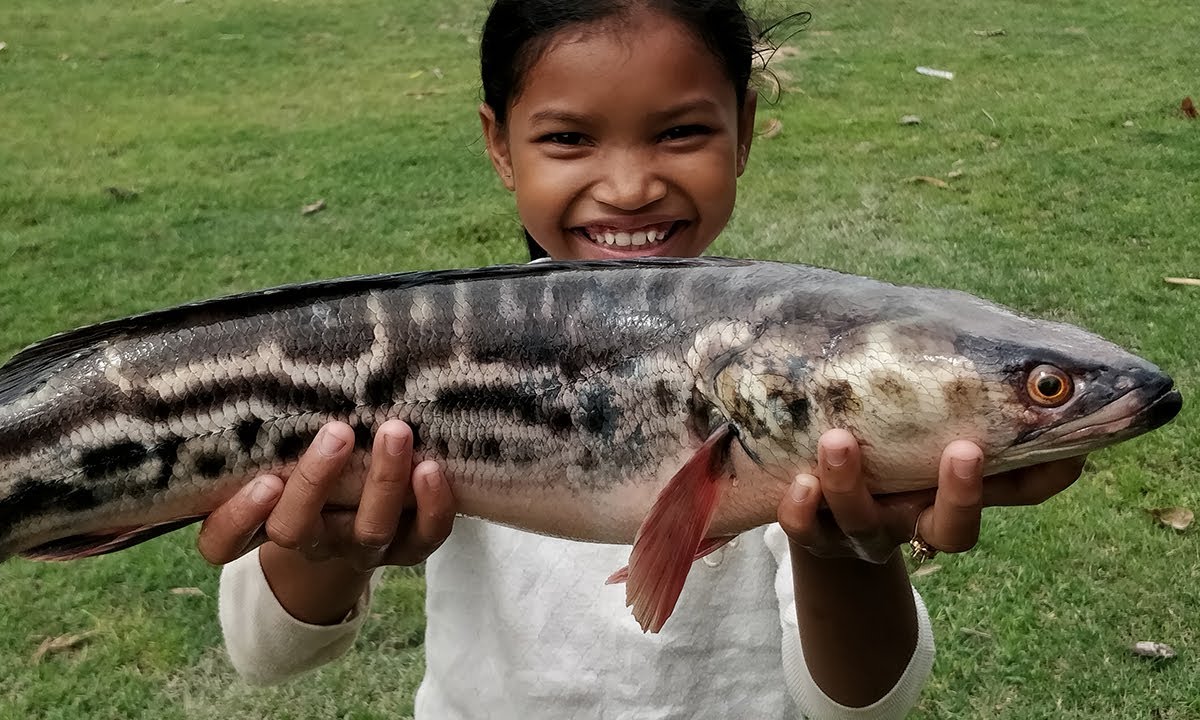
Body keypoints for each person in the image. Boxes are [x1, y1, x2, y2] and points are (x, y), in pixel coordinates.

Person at [197, 1, 1086, 717]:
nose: (629, 186)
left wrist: (843, 550)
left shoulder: (786, 371)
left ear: (742, 127)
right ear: (498, 144)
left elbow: (861, 703)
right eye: (569, 139)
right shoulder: (431, 348)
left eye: (678, 133)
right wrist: (334, 547)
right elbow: (266, 653)